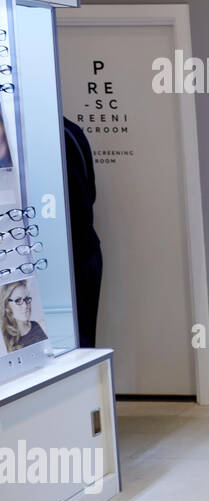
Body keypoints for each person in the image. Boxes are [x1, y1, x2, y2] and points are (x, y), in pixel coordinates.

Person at [64, 117, 103, 347]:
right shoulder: (72, 131)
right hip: (84, 253)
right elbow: (91, 193)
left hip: (76, 257)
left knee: (78, 345)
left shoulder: (60, 135)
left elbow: (81, 202)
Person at [2, 280, 46, 352]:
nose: (25, 306)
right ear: (7, 306)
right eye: (18, 300)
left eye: (26, 299)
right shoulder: (4, 338)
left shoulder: (40, 325)